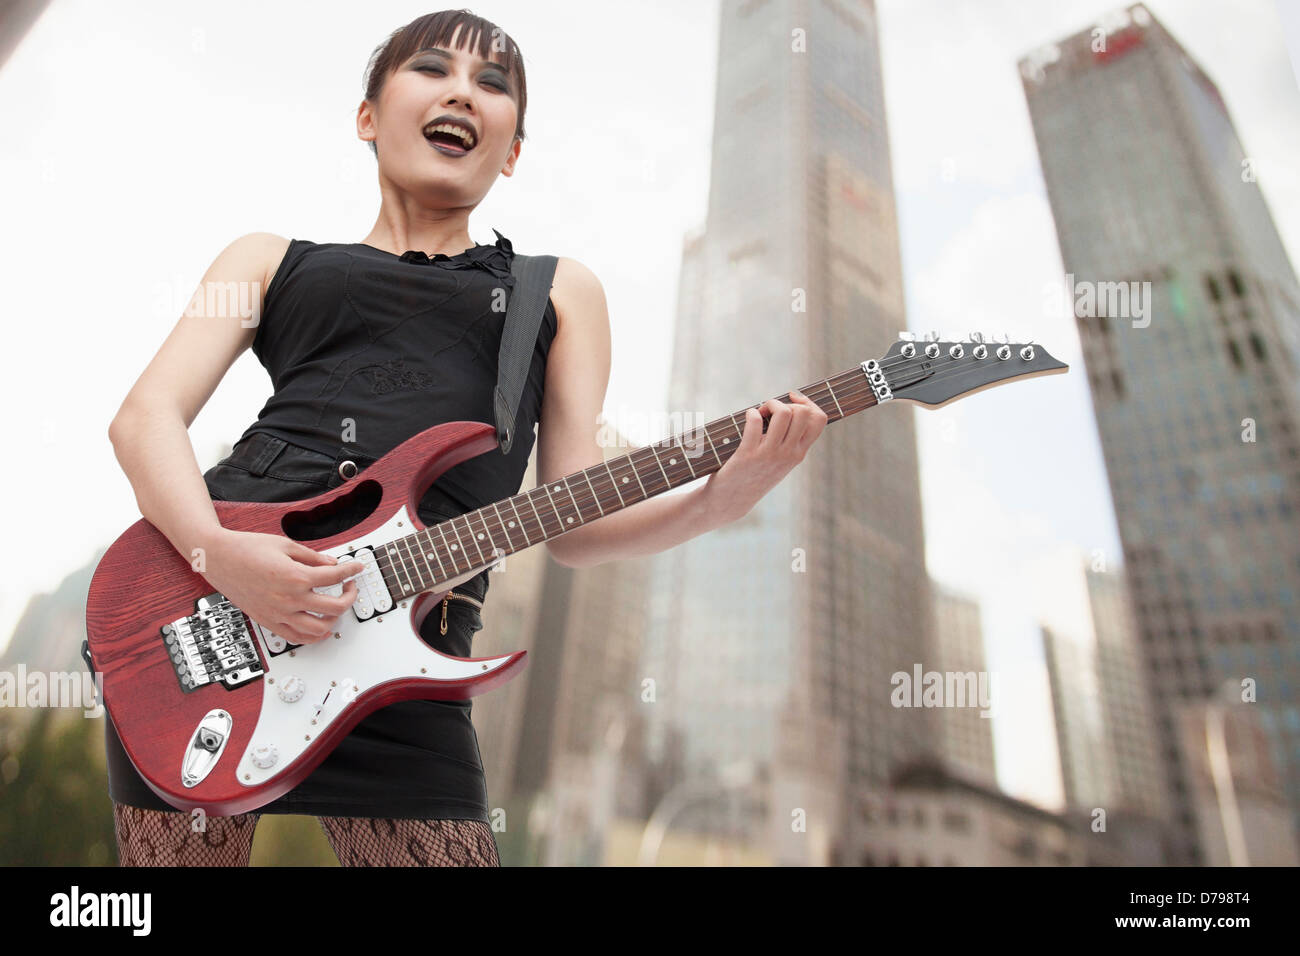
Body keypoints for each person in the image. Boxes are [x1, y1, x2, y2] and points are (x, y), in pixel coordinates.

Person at [103, 9, 828, 868]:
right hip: (204, 629)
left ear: (512, 149)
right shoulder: (268, 259)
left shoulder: (557, 294)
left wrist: (720, 499)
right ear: (368, 117)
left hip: (405, 663)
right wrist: (222, 557)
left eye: (492, 85)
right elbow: (145, 418)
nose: (462, 92)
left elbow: (574, 525)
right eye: (433, 71)